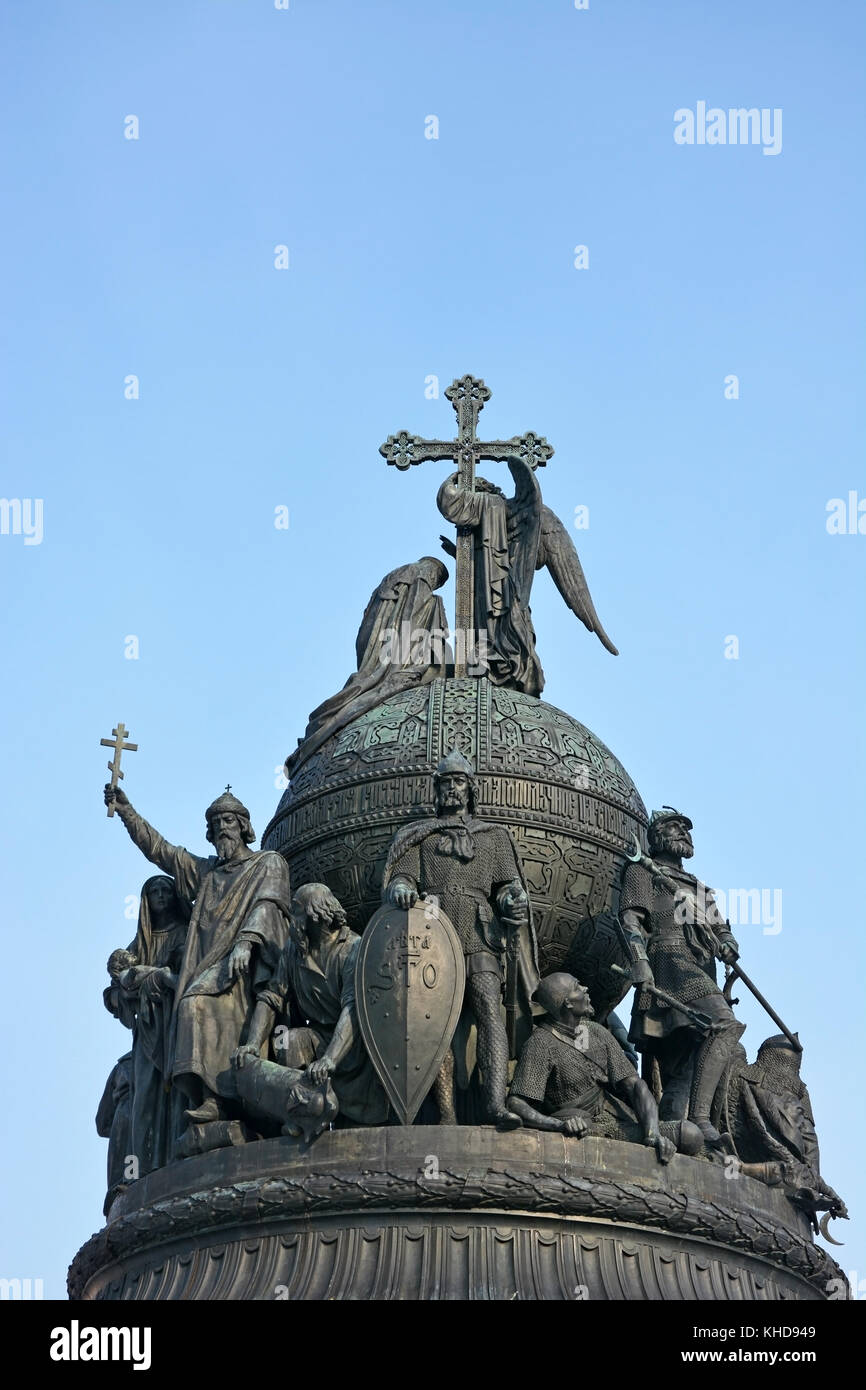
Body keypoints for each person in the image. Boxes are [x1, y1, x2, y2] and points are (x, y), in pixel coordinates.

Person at [104, 783, 291, 1149]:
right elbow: (160, 851)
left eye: (229, 821)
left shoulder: (267, 863)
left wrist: (246, 942)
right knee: (190, 1003)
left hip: (247, 968)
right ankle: (208, 1100)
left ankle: (222, 1098)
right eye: (216, 822)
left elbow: (270, 906)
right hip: (210, 969)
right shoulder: (206, 873)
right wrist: (127, 812)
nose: (222, 828)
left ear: (244, 827)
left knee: (194, 1003)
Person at [382, 749, 538, 1126]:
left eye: (459, 782)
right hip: (433, 932)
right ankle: (446, 1114)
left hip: (480, 932)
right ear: (436, 789)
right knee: (437, 1020)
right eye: (446, 782)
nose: (453, 789)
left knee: (489, 1009)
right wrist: (401, 888)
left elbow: (507, 887)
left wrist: (512, 901)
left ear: (471, 789)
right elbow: (402, 877)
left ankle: (495, 1103)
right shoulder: (417, 837)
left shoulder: (494, 837)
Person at [619, 807, 744, 1145]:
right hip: (668, 962)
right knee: (724, 1025)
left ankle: (677, 1123)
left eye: (686, 828)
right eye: (674, 827)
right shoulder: (641, 872)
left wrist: (729, 944)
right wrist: (640, 962)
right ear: (657, 836)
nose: (683, 833)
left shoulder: (698, 887)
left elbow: (721, 929)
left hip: (702, 967)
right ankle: (701, 1120)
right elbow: (631, 921)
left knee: (689, 1053)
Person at [233, 883, 389, 1130]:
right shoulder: (293, 952)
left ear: (315, 915)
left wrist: (329, 1060)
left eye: (295, 910)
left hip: (356, 1043)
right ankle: (303, 1117)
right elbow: (272, 997)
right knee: (290, 1041)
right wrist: (252, 1044)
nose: (290, 918)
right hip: (319, 1036)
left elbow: (353, 1009)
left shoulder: (353, 948)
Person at [508, 973, 703, 1161]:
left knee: (690, 1135)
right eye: (577, 987)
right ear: (567, 1003)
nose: (585, 989)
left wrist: (653, 1134)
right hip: (582, 1129)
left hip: (619, 1119)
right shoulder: (540, 1043)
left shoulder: (596, 1032)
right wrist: (558, 1125)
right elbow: (517, 1103)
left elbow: (635, 1085)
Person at [103, 875, 191, 1174]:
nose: (161, 896)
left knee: (179, 1090)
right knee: (144, 1096)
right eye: (154, 891)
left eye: (166, 890)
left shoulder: (188, 934)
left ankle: (178, 1158)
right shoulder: (141, 943)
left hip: (179, 1021)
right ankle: (140, 1170)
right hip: (149, 1029)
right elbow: (115, 987)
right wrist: (124, 993)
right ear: (146, 901)